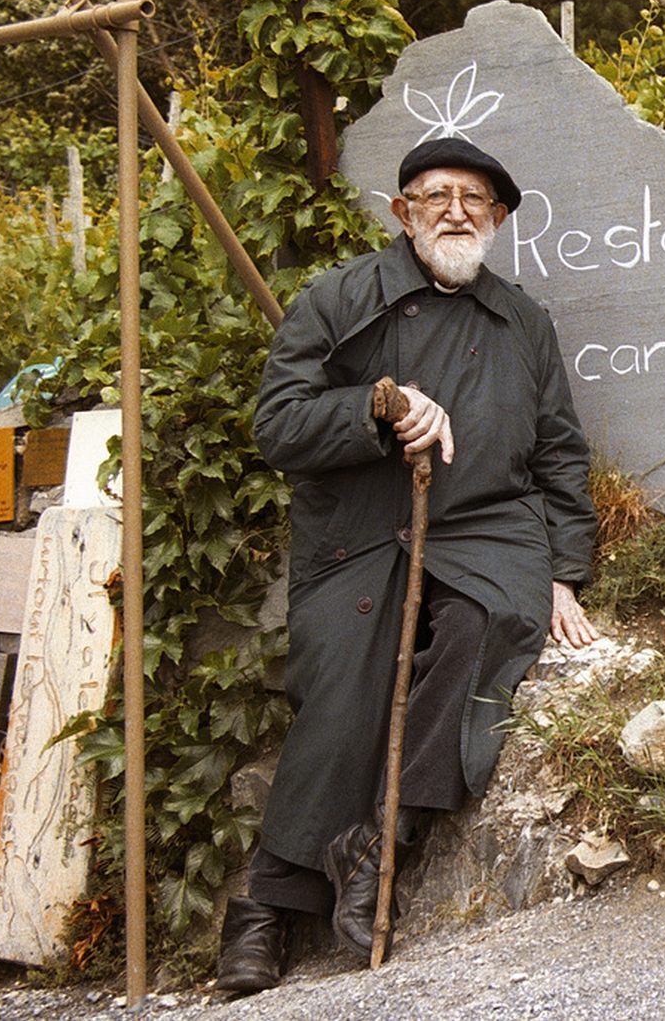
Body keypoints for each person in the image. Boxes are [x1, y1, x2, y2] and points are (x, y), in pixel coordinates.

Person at [217, 139, 600, 993]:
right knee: (343, 686)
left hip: (485, 528)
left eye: (475, 198)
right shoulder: (341, 298)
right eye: (435, 196)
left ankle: (380, 840)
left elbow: (560, 457)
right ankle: (268, 909)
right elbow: (277, 424)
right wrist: (379, 404)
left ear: (498, 218)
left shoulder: (524, 323)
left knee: (488, 627)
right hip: (359, 529)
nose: (456, 211)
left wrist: (563, 570)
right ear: (403, 213)